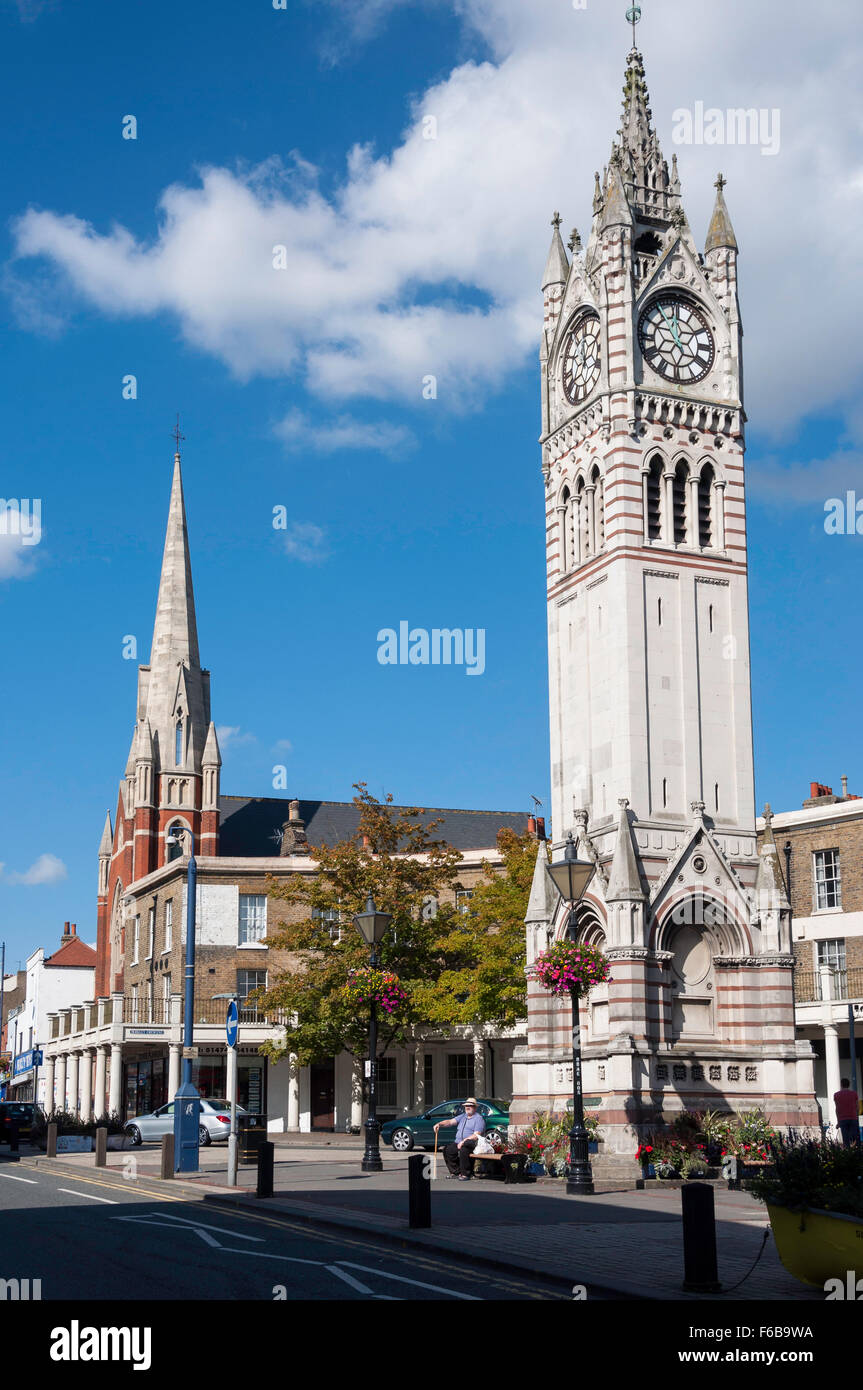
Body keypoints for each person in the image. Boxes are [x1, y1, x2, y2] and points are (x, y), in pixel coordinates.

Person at [435, 1098, 485, 1179]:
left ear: (475, 1108)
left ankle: (466, 1174)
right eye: (466, 1106)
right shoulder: (463, 1116)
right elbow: (450, 1122)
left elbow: (476, 1135)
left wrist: (463, 1141)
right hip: (459, 1142)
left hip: (472, 1143)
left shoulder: (478, 1119)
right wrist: (439, 1124)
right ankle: (456, 1172)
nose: (467, 1107)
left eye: (470, 1106)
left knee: (464, 1149)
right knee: (447, 1149)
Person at [833, 1077, 860, 1146]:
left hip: (843, 1119)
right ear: (849, 1085)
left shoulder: (836, 1095)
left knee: (845, 1139)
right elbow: (857, 1107)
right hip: (853, 1118)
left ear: (841, 1085)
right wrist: (856, 1117)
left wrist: (838, 1121)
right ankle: (855, 1152)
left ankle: (848, 1153)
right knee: (854, 1138)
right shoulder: (854, 1094)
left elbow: (837, 1109)